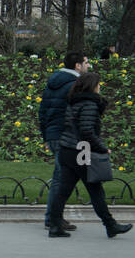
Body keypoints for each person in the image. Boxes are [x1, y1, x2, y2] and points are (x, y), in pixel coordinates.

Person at [46, 72, 131, 238]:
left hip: (67, 150)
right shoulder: (90, 104)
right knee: (95, 190)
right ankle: (110, 225)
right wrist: (102, 148)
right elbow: (86, 131)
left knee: (63, 191)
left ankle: (55, 226)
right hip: (81, 151)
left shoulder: (74, 101)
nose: (100, 87)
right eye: (99, 84)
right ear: (92, 86)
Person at [38, 52, 88, 233]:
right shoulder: (76, 84)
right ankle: (52, 219)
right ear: (77, 66)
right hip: (66, 136)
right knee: (62, 179)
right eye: (86, 62)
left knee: (62, 177)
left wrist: (46, 136)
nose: (88, 66)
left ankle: (55, 217)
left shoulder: (53, 83)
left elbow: (43, 111)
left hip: (53, 134)